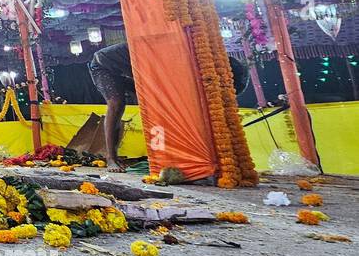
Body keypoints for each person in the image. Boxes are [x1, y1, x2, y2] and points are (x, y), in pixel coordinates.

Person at [88, 42, 249, 172]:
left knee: (157, 102)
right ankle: (111, 158)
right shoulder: (177, 53)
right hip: (104, 65)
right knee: (117, 103)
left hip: (134, 70)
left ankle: (171, 155)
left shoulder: (198, 59)